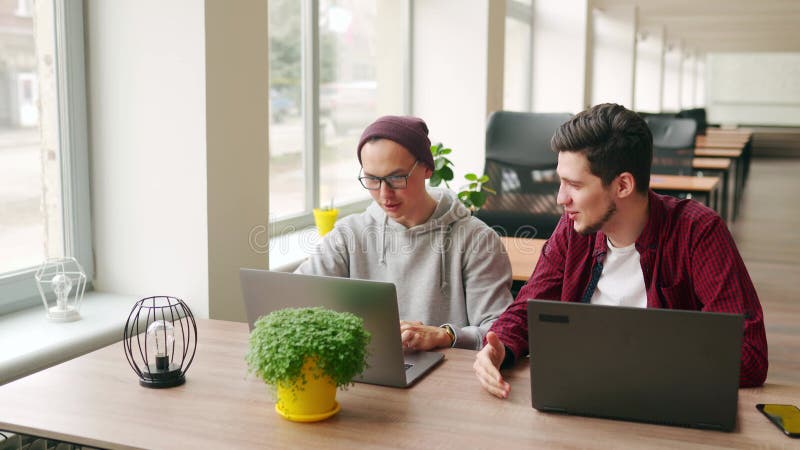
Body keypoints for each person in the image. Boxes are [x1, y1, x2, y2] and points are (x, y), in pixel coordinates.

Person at [473, 103, 768, 398]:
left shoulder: (698, 231)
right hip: (582, 393)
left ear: (623, 185)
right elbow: (526, 309)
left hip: (664, 400)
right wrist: (498, 348)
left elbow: (748, 355)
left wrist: (633, 362)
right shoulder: (573, 228)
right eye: (560, 181)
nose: (561, 198)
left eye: (574, 185)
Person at [296, 115, 513, 351]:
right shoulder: (348, 234)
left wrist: (446, 336)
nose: (384, 194)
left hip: (449, 369)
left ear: (427, 168)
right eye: (372, 179)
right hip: (364, 365)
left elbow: (501, 331)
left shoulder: (477, 240)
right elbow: (293, 298)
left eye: (396, 178)